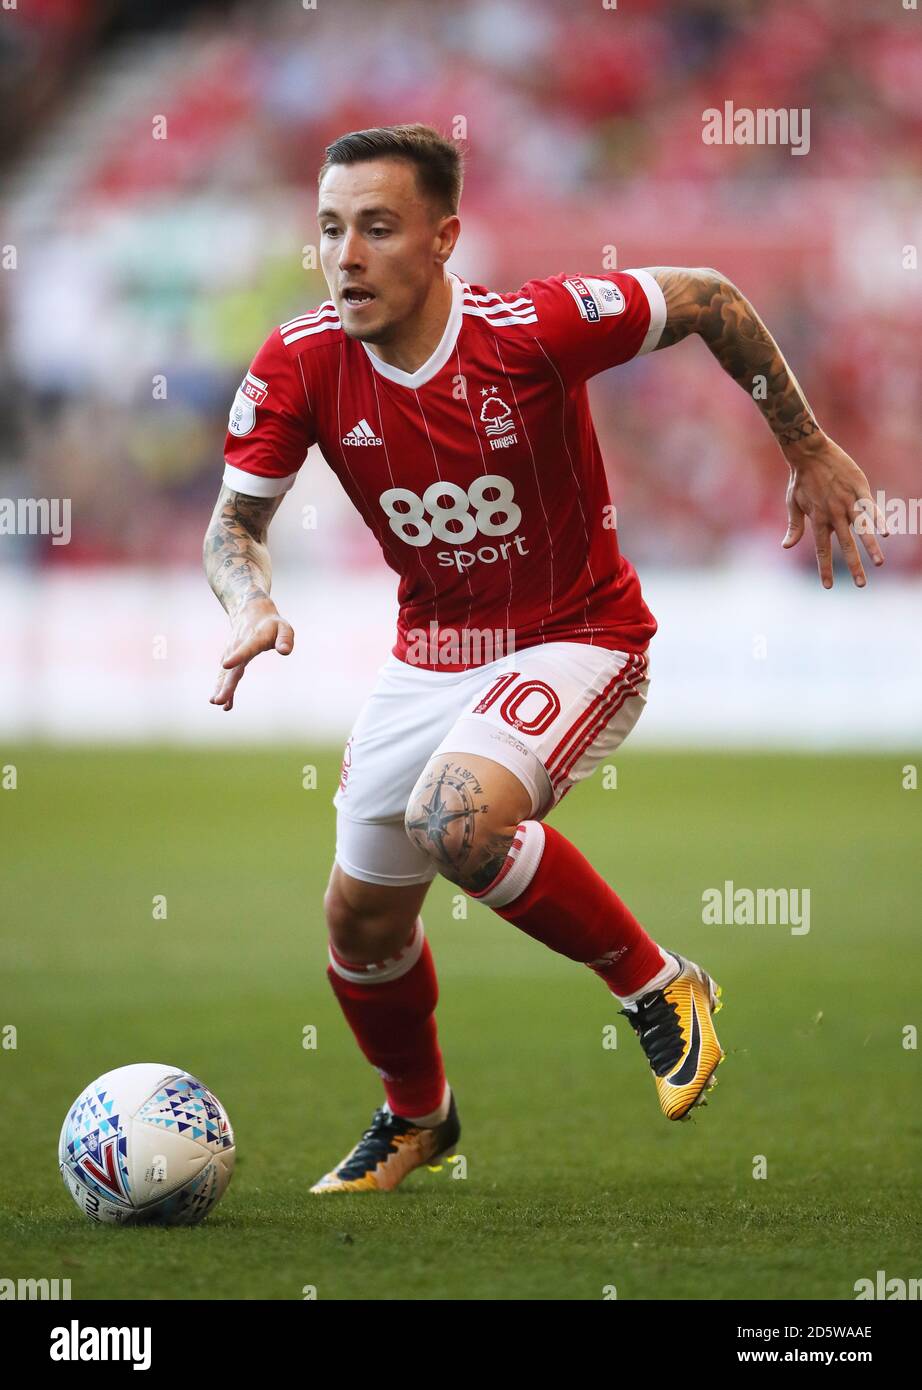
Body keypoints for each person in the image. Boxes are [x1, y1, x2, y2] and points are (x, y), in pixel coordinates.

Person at [203, 124, 885, 1194]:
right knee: (360, 918)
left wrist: (803, 445)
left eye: (377, 228)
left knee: (456, 820)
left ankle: (658, 985)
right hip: (430, 656)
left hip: (579, 635)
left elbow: (705, 294)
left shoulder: (529, 331)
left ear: (443, 239)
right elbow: (232, 524)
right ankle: (416, 1115)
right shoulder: (299, 360)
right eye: (331, 228)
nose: (345, 255)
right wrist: (250, 600)